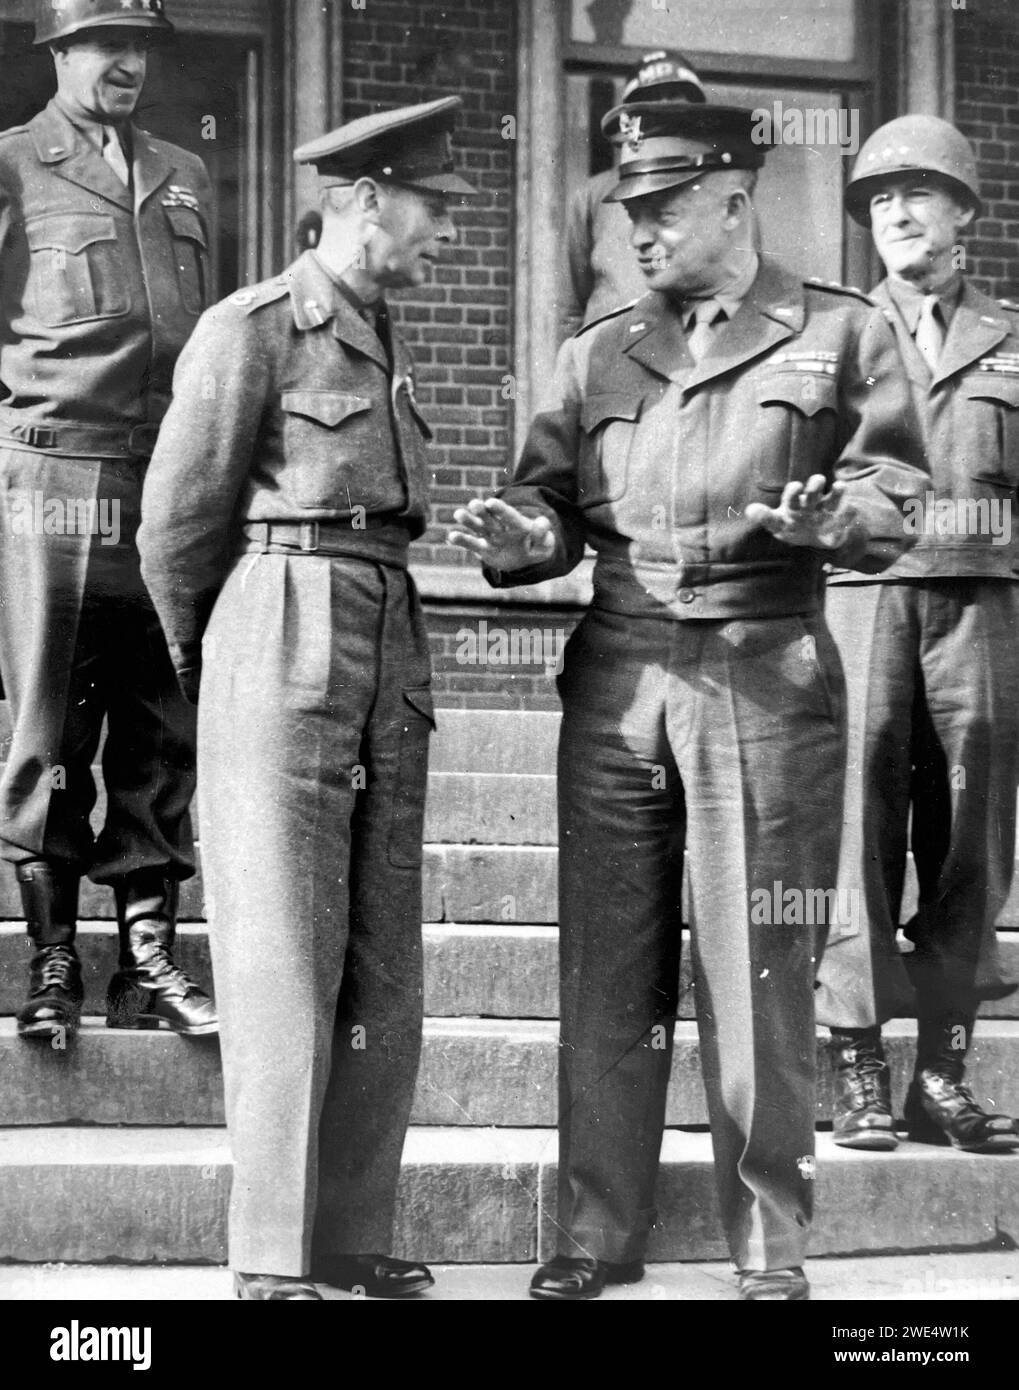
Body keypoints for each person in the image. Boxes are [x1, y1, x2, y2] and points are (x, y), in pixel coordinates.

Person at [451, 97, 926, 1301]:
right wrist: (517, 537)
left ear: (731, 196)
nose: (643, 234)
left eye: (664, 210)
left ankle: (767, 1242)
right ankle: (593, 1232)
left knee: (757, 970)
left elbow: (893, 494)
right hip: (617, 677)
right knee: (605, 969)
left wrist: (839, 519)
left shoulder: (837, 329)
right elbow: (546, 511)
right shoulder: (599, 349)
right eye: (631, 214)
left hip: (761, 674)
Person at [138, 98, 477, 1301]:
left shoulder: (381, 338)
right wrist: (224, 673)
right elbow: (177, 528)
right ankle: (272, 1253)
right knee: (283, 948)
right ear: (367, 198)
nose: (442, 231)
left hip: (390, 630)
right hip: (279, 623)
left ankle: (345, 1231)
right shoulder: (253, 329)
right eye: (432, 208)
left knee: (382, 959)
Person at [0, 0, 216, 1041]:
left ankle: (145, 957)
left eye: (139, 44)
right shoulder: (14, 165)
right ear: (59, 50)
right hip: (51, 478)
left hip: (165, 484)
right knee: (48, 727)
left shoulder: (185, 172)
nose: (126, 60)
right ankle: (53, 961)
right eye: (104, 42)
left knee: (159, 718)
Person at [814, 116, 1019, 1154]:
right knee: (853, 822)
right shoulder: (838, 331)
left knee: (970, 838)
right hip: (863, 598)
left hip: (981, 606)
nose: (893, 213)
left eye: (915, 195)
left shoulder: (1011, 336)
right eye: (876, 200)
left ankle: (939, 1069)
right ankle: (853, 1061)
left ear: (963, 214)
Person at [564, 49, 706, 333]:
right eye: (650, 100)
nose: (664, 108)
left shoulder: (719, 189)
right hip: (610, 356)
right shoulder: (593, 195)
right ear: (629, 118)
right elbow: (569, 309)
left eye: (675, 96)